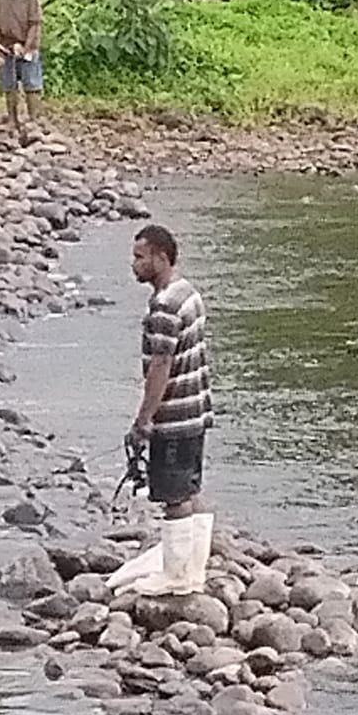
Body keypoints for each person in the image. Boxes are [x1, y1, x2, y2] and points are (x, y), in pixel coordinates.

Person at [110, 224, 214, 597]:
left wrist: (143, 420)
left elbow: (160, 367)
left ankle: (177, 577)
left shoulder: (164, 307)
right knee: (191, 488)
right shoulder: (189, 293)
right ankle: (194, 570)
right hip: (197, 410)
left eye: (140, 256)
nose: (134, 264)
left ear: (161, 257)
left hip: (174, 416)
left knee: (173, 498)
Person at [0, 0, 44, 143]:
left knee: (31, 83)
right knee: (8, 83)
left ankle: (33, 120)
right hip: (6, 43)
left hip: (28, 42)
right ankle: (12, 119)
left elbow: (35, 24)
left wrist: (26, 48)